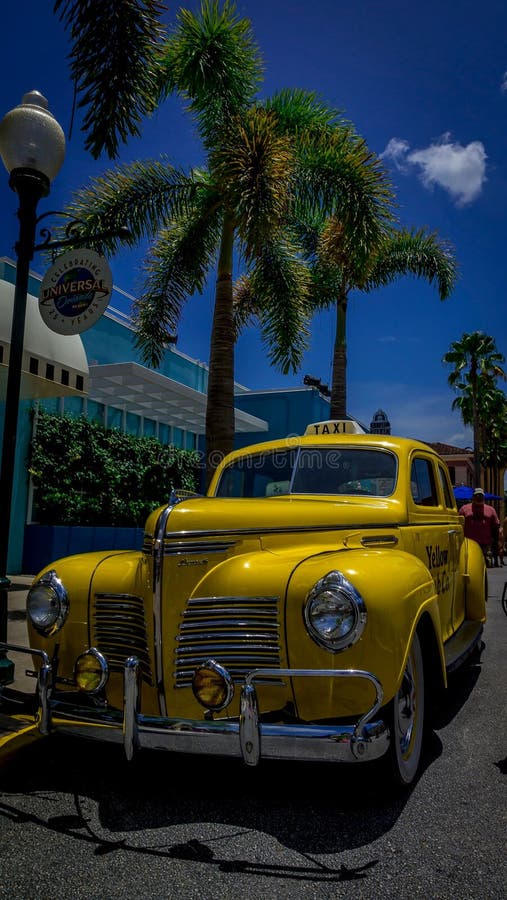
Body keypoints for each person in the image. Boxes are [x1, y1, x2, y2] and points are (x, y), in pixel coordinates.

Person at [460, 488, 500, 566]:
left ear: (483, 497)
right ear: (473, 497)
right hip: (469, 544)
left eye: (481, 496)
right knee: (470, 566)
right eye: (477, 495)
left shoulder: (491, 510)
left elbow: (495, 527)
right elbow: (459, 525)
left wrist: (495, 542)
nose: (479, 497)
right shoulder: (464, 509)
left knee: (484, 567)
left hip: (484, 545)